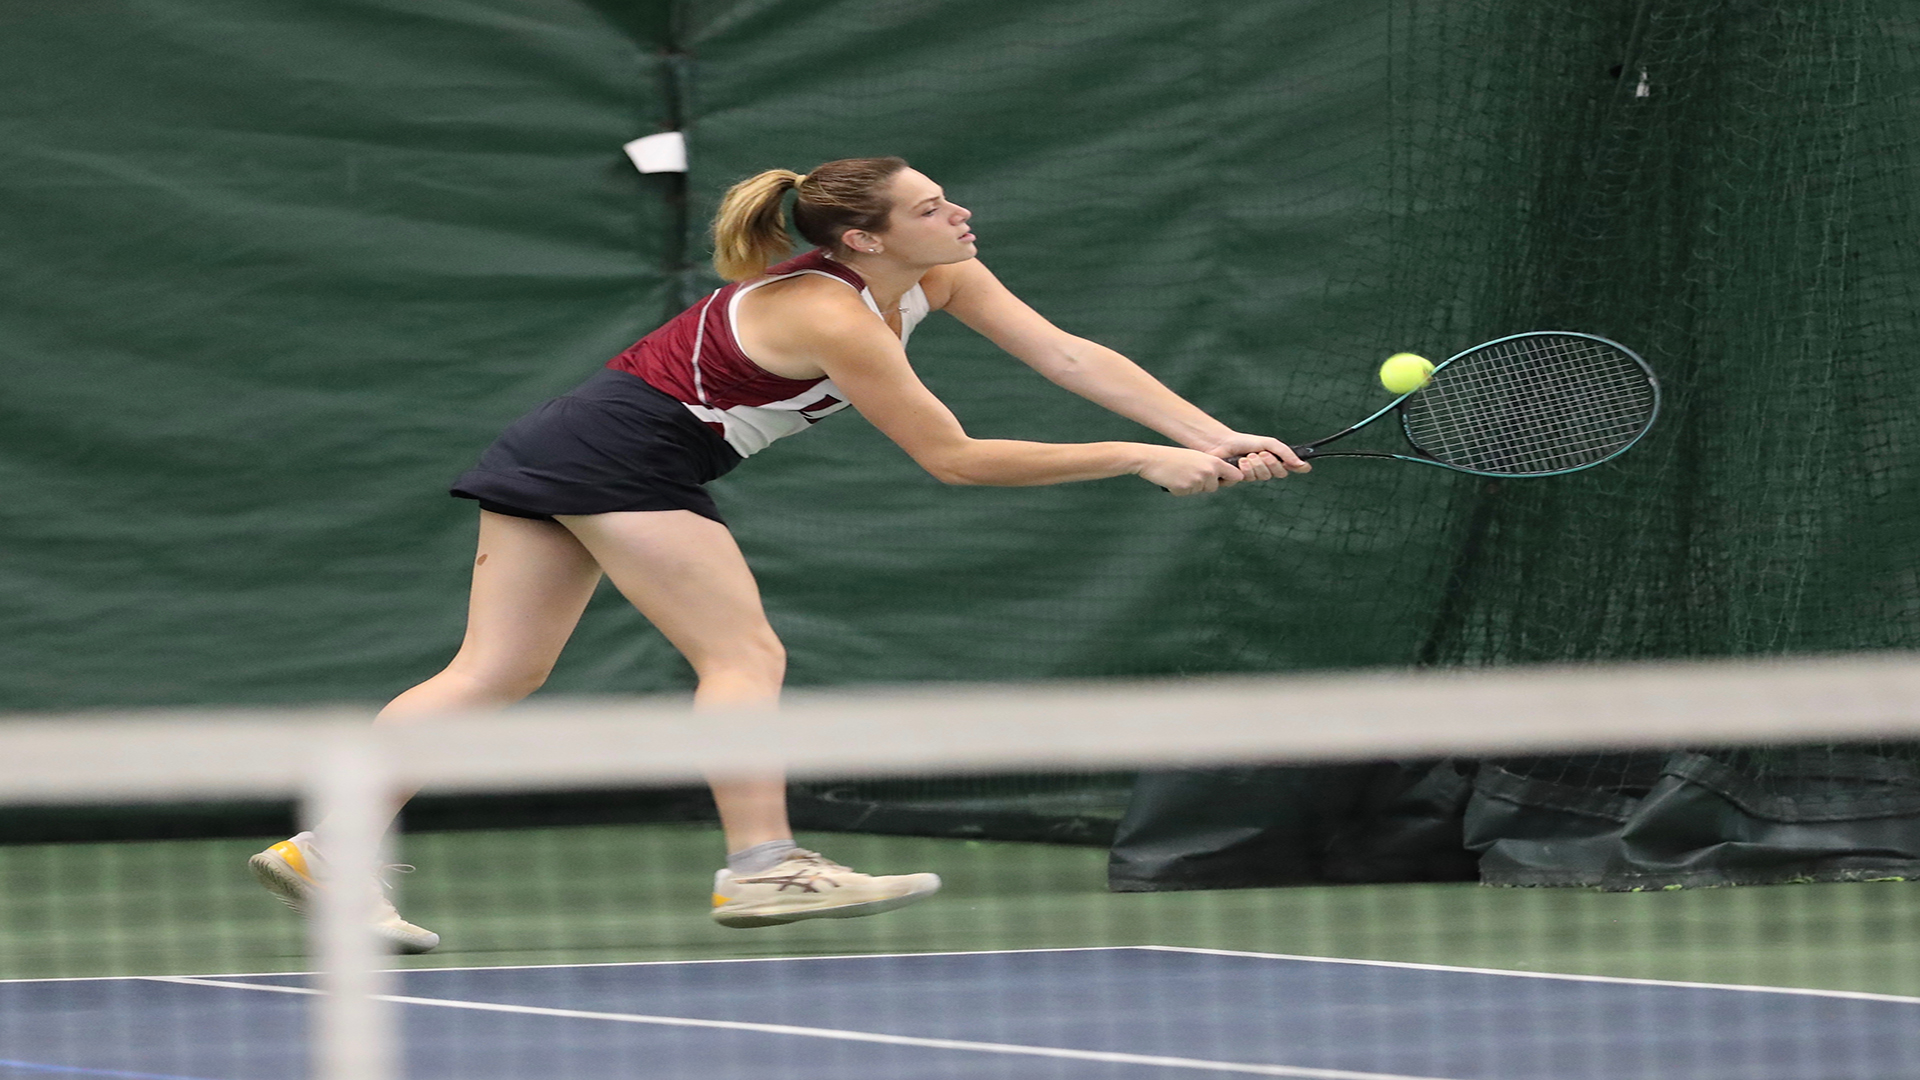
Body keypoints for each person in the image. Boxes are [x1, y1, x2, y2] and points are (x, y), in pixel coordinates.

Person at [248, 156, 1310, 953]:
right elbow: (954, 459)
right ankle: (763, 867)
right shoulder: (831, 316)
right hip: (621, 457)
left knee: (496, 673)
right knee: (741, 658)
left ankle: (327, 847)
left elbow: (1067, 353)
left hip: (567, 445)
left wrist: (1206, 434)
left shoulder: (935, 279)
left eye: (949, 201)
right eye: (933, 209)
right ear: (862, 239)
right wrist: (1136, 459)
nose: (960, 214)